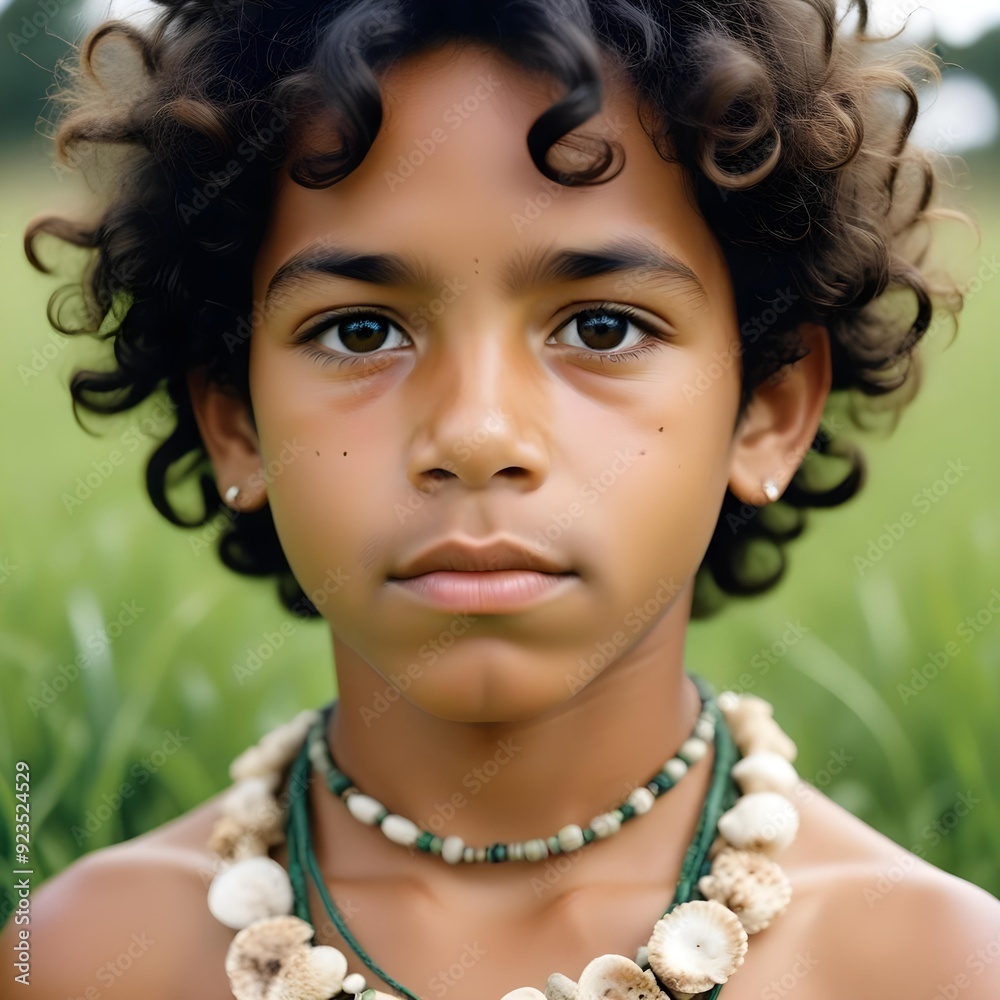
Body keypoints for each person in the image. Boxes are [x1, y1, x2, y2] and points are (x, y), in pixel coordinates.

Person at [5, 0, 999, 997]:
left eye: (604, 328)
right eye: (358, 333)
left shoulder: (933, 966)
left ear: (766, 410)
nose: (476, 433)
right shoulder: (81, 959)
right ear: (234, 420)